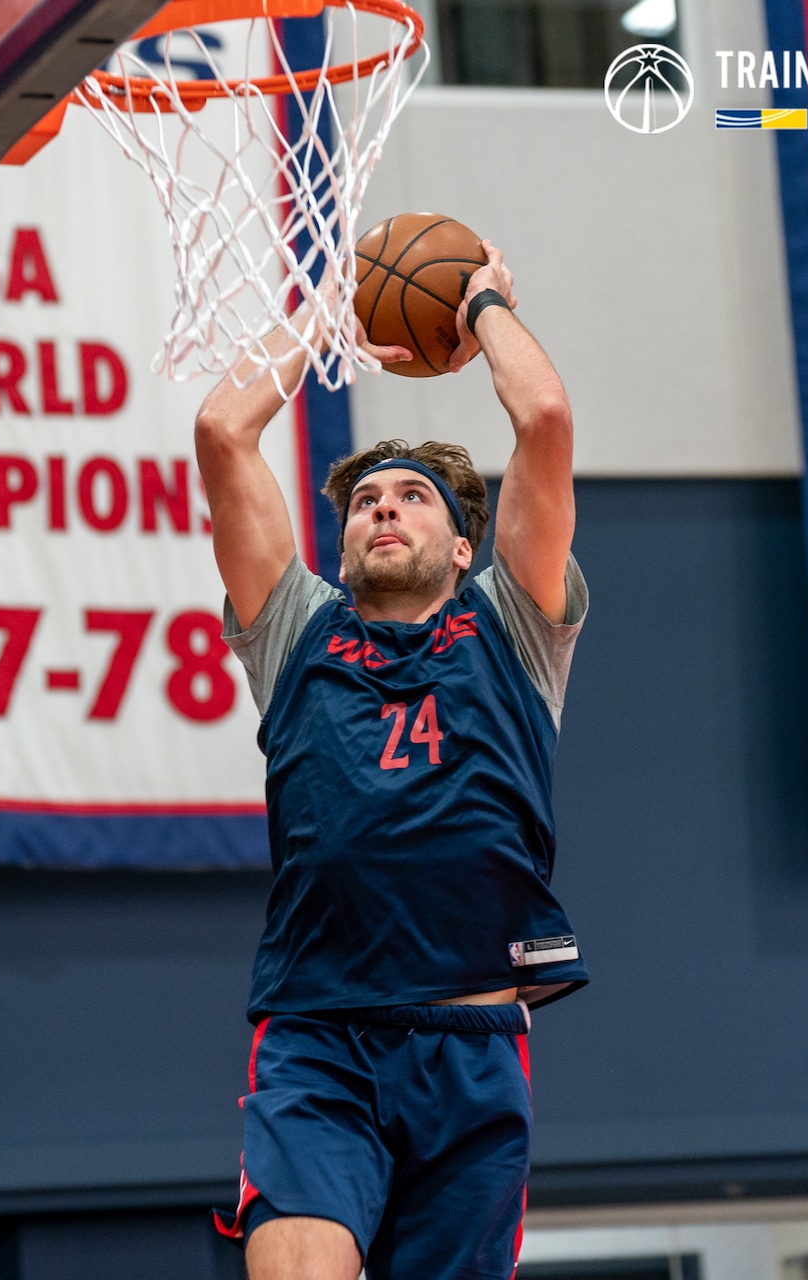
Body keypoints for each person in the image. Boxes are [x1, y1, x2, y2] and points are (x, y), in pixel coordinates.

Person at [195, 242, 588, 1280]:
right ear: (341, 547)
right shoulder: (296, 631)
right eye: (367, 499)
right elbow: (223, 432)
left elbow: (545, 418)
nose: (382, 507)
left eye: (412, 496)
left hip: (470, 1042)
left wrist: (483, 303)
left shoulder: (512, 625)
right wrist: (324, 311)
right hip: (318, 1032)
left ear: (462, 547)